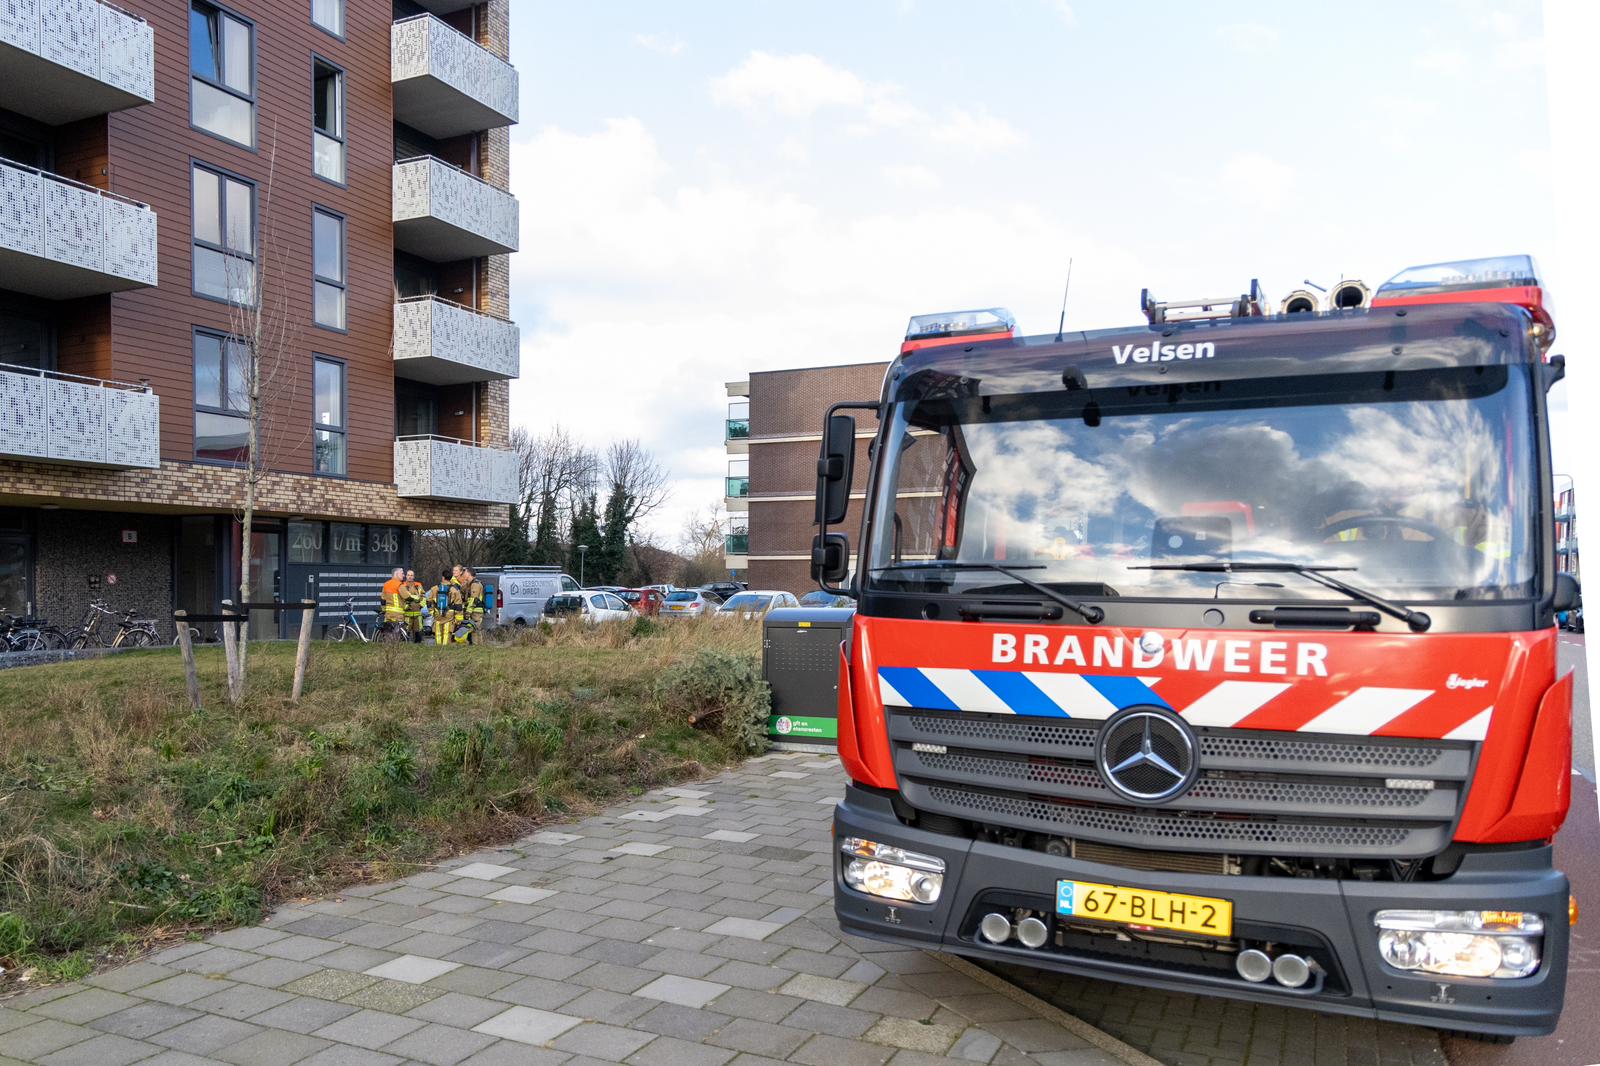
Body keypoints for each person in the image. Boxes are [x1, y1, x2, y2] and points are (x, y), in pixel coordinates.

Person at [426, 568, 460, 645]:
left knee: (438, 632)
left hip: (438, 613)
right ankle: (445, 647)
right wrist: (458, 618)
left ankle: (438, 647)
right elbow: (458, 605)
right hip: (449, 615)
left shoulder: (435, 588)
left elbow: (428, 601)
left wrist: (431, 611)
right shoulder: (455, 590)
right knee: (447, 632)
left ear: (443, 577)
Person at [457, 566, 486, 644]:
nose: (463, 573)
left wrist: (468, 612)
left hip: (476, 610)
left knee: (474, 628)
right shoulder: (469, 584)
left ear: (469, 573)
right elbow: (462, 593)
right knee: (476, 629)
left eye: (465, 572)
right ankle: (478, 645)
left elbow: (473, 599)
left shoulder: (475, 584)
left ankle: (475, 645)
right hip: (472, 609)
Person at [380, 567, 407, 634]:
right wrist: (417, 598)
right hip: (398, 616)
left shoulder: (386, 584)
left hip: (388, 615)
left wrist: (384, 611)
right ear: (396, 574)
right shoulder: (399, 584)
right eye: (402, 573)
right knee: (398, 636)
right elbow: (407, 597)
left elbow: (382, 599)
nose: (404, 575)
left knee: (388, 634)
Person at [402, 569, 425, 643]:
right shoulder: (403, 585)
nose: (410, 577)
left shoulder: (418, 585)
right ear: (406, 576)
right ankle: (406, 645)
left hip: (417, 614)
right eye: (408, 575)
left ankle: (418, 646)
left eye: (411, 575)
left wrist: (420, 605)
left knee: (418, 631)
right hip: (407, 614)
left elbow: (423, 596)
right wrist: (406, 606)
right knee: (406, 630)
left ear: (414, 577)